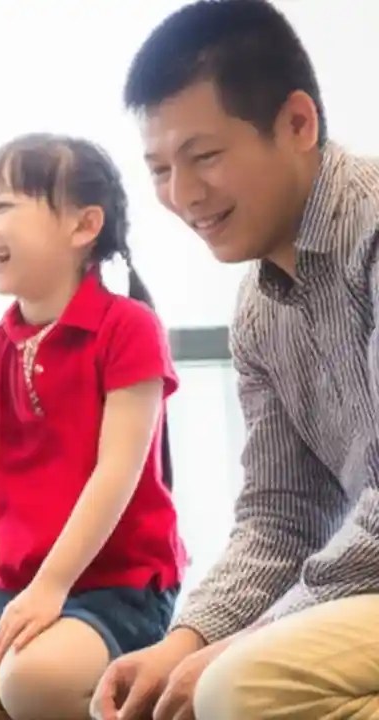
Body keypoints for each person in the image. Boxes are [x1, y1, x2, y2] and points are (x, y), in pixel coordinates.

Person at [93, 2, 379, 718]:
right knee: (166, 688)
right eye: (161, 169)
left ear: (298, 123)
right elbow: (280, 517)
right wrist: (185, 640)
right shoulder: (256, 309)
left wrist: (246, 642)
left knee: (237, 686)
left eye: (205, 157)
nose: (183, 195)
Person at [0, 133, 184, 720]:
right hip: (11, 584)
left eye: (4, 206)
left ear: (84, 226)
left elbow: (117, 474)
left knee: (32, 682)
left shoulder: (128, 328)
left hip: (116, 584)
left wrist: (52, 586)